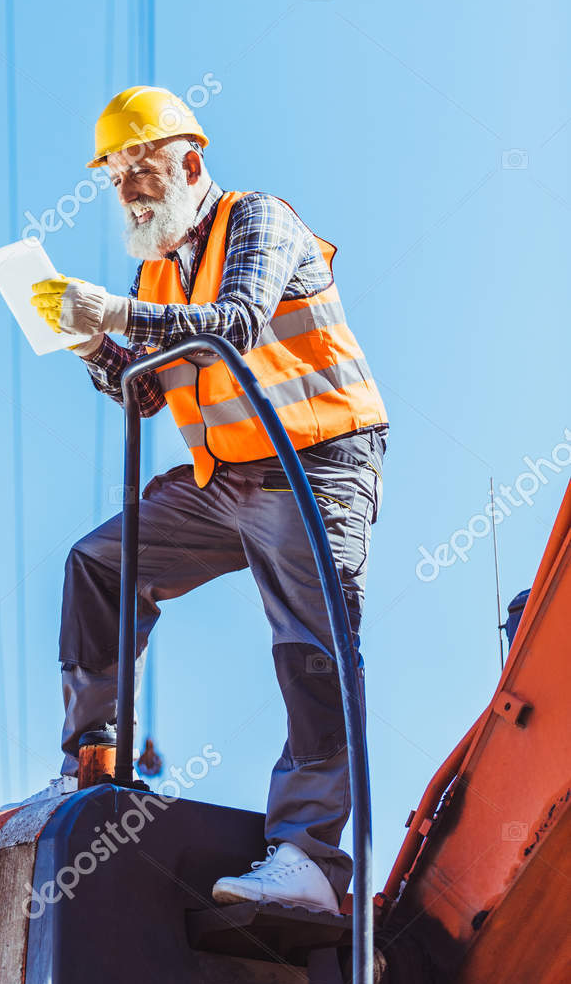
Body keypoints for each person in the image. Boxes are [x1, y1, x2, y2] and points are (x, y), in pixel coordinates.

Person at [27, 86, 387, 912]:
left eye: (141, 167)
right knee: (100, 565)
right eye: (115, 177)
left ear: (191, 162)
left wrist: (118, 312)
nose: (129, 189)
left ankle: (309, 863)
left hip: (314, 462)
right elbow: (147, 393)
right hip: (223, 479)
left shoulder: (259, 219)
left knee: (312, 649)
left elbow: (235, 322)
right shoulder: (156, 268)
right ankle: (94, 759)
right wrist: (93, 343)